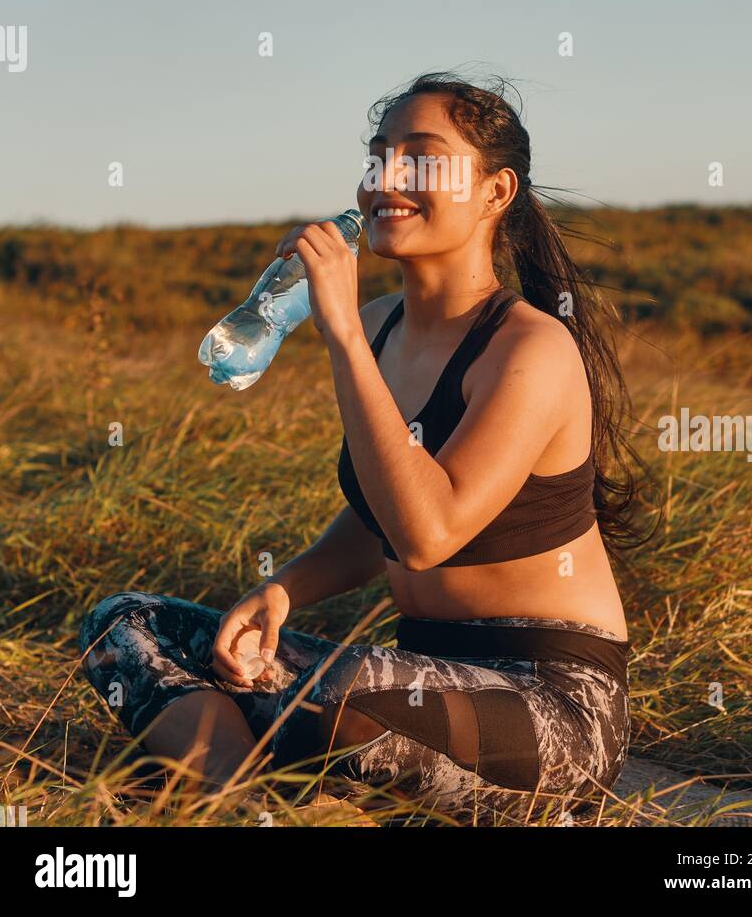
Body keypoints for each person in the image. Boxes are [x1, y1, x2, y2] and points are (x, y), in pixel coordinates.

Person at [79, 72, 653, 825]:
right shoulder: (384, 326)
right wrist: (283, 589)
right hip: (417, 673)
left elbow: (424, 533)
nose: (387, 178)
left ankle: (243, 761)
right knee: (125, 626)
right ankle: (231, 806)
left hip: (550, 709)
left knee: (341, 690)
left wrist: (341, 334)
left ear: (495, 191)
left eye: (420, 159)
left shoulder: (529, 349)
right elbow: (377, 512)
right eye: (378, 156)